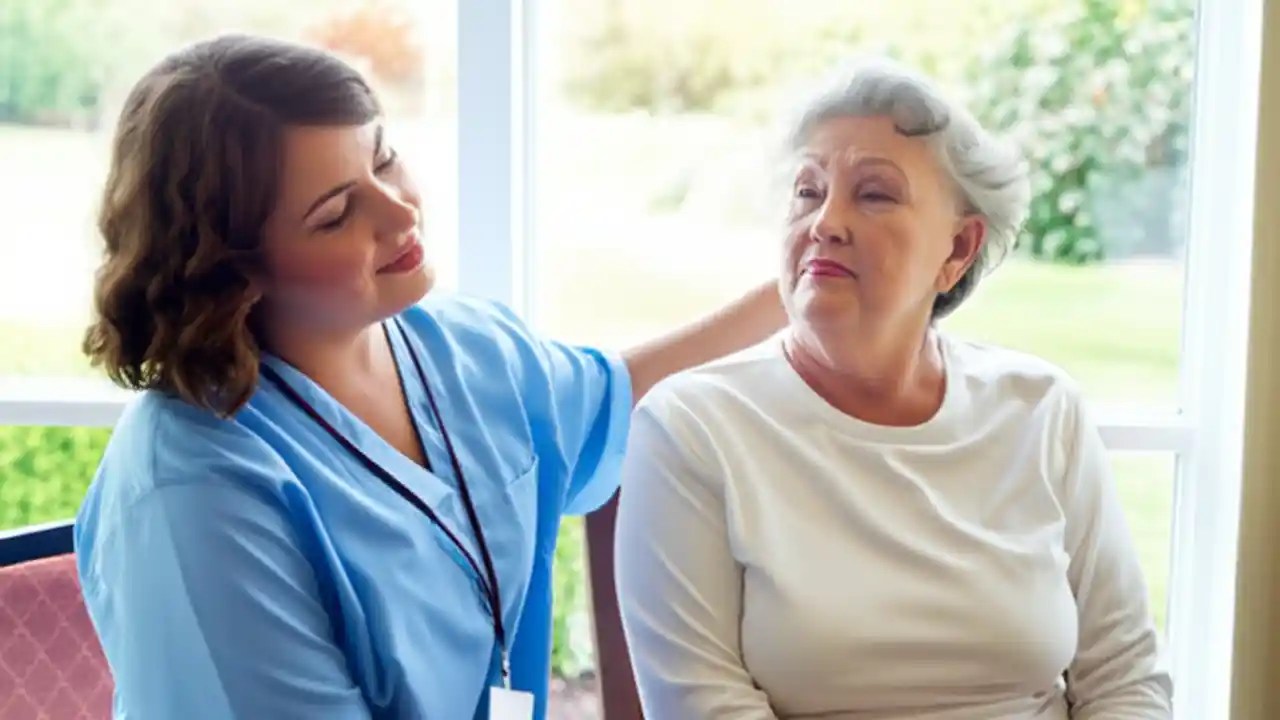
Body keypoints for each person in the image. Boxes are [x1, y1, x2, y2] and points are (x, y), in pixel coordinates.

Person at [73, 33, 784, 720]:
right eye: (337, 214)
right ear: (235, 269)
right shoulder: (193, 491)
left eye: (383, 161)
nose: (400, 210)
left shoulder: (462, 347)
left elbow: (621, 405)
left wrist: (807, 285)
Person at [614, 58, 1173, 719]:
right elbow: (703, 705)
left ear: (959, 249)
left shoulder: (1042, 410)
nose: (826, 221)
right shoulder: (692, 427)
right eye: (807, 191)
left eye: (874, 194)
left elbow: (1125, 680)